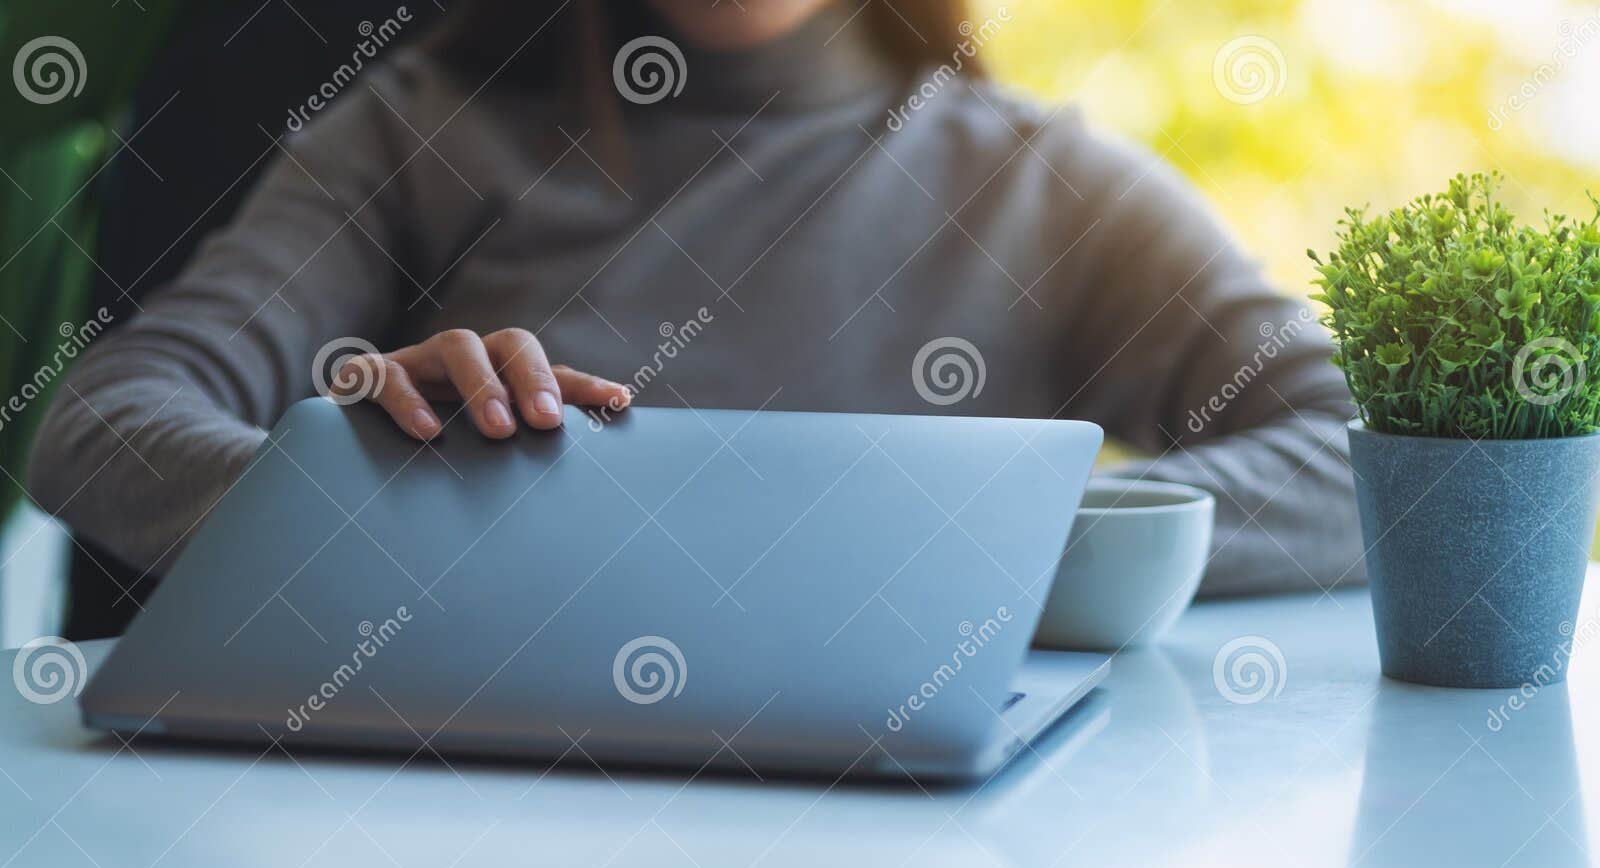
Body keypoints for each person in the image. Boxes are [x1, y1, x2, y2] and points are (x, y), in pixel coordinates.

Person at [27, 0, 1363, 596]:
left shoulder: (1040, 183)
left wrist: (986, 536)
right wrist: (381, 500)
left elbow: (1365, 463)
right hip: (475, 853)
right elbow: (96, 426)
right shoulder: (417, 128)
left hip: (912, 865)